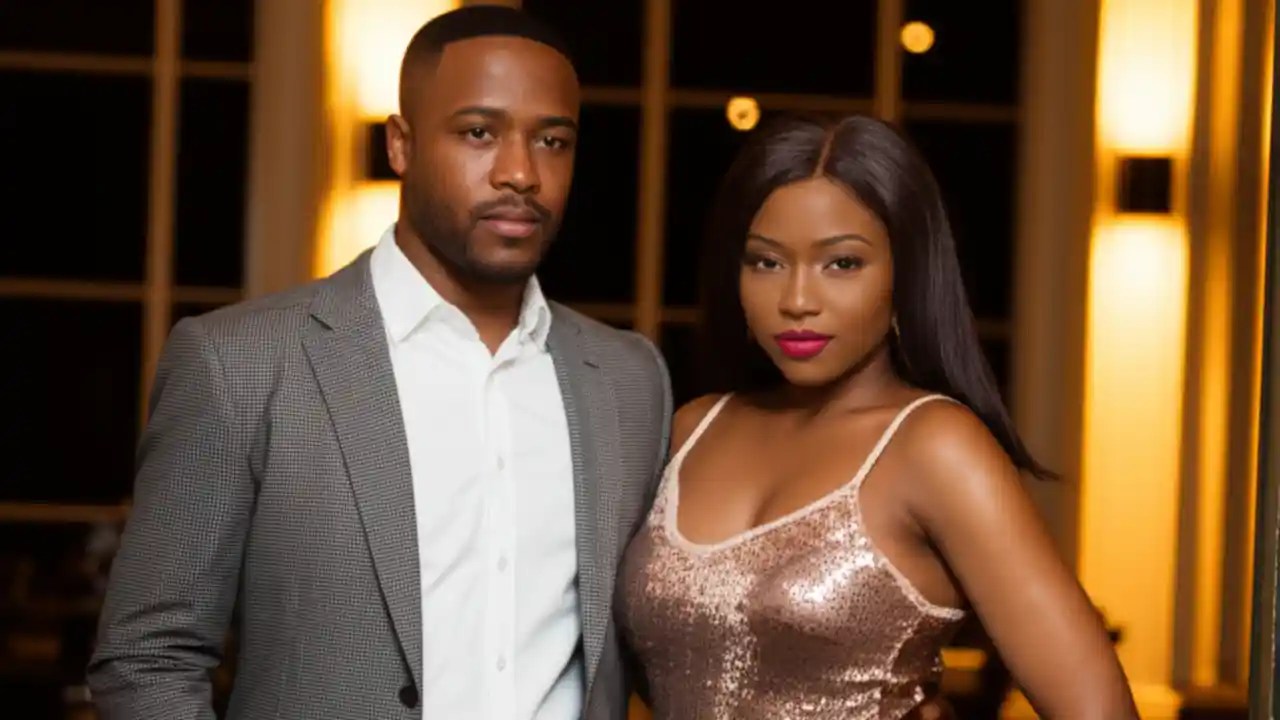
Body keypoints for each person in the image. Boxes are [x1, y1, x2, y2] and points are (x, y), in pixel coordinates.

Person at [86, 7, 672, 719]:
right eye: (479, 132)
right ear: (401, 144)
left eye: (552, 140)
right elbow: (148, 657)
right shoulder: (241, 365)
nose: (521, 173)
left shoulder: (630, 381)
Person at [616, 113, 1139, 719]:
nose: (797, 300)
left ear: (905, 275)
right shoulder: (692, 429)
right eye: (766, 262)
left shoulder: (935, 447)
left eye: (842, 264)